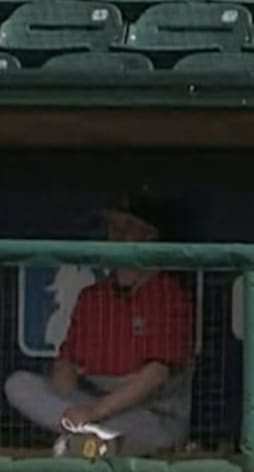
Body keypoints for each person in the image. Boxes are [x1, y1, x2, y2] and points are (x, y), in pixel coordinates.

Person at [3, 194, 194, 457]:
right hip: (93, 408)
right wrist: (66, 396)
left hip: (149, 416)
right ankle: (88, 442)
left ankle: (86, 443)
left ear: (149, 235)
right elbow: (66, 364)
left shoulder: (168, 295)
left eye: (126, 228)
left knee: (150, 434)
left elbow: (156, 376)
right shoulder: (93, 297)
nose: (115, 236)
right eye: (112, 228)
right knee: (18, 384)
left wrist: (93, 412)